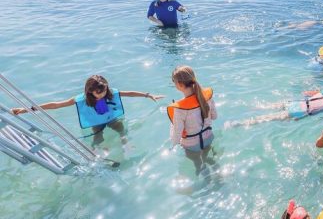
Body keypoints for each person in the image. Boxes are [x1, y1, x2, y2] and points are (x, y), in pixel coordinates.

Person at [11, 75, 162, 145]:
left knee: (122, 131)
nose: (102, 94)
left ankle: (126, 145)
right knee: (98, 139)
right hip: (97, 122)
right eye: (98, 93)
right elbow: (56, 104)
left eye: (104, 91)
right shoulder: (81, 100)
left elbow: (129, 93)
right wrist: (26, 110)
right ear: (90, 91)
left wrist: (148, 95)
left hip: (112, 118)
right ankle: (97, 154)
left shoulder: (110, 92)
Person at [168, 66, 217, 173]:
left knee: (200, 168)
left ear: (179, 85)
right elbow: (214, 116)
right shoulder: (208, 97)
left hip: (192, 146)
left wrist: (171, 148)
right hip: (208, 138)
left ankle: (206, 187)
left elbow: (176, 136)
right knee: (212, 162)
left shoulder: (179, 109)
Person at [225, 86, 323, 127]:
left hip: (295, 102)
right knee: (266, 118)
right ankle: (238, 123)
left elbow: (306, 93)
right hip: (299, 111)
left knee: (266, 107)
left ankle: (247, 107)